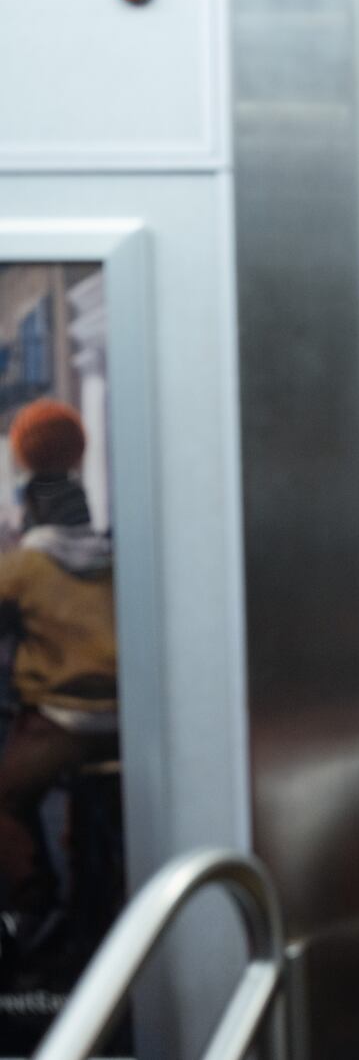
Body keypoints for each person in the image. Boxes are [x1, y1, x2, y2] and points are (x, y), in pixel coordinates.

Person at [0, 402, 117, 941]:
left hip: (59, 721)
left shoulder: (23, 566)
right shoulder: (114, 555)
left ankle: (34, 900)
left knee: (6, 799)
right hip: (125, 720)